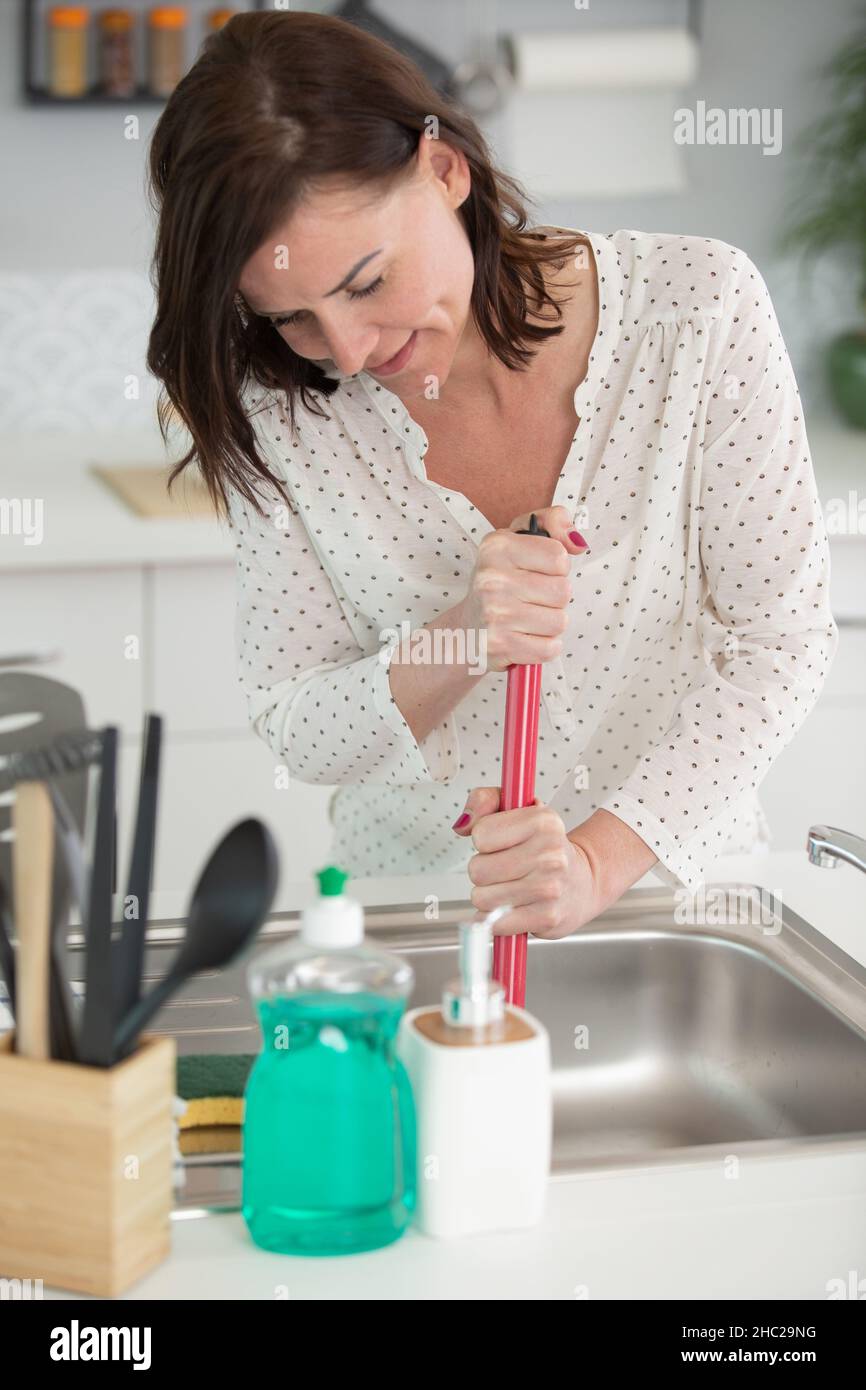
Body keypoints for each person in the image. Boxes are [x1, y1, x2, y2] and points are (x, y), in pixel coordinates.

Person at [146, 10, 837, 941]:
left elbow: (778, 647)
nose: (346, 351)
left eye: (365, 283)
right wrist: (463, 636)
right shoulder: (286, 411)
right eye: (289, 318)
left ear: (445, 171)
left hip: (675, 901)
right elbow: (297, 723)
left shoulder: (696, 311)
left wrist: (594, 858)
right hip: (423, 916)